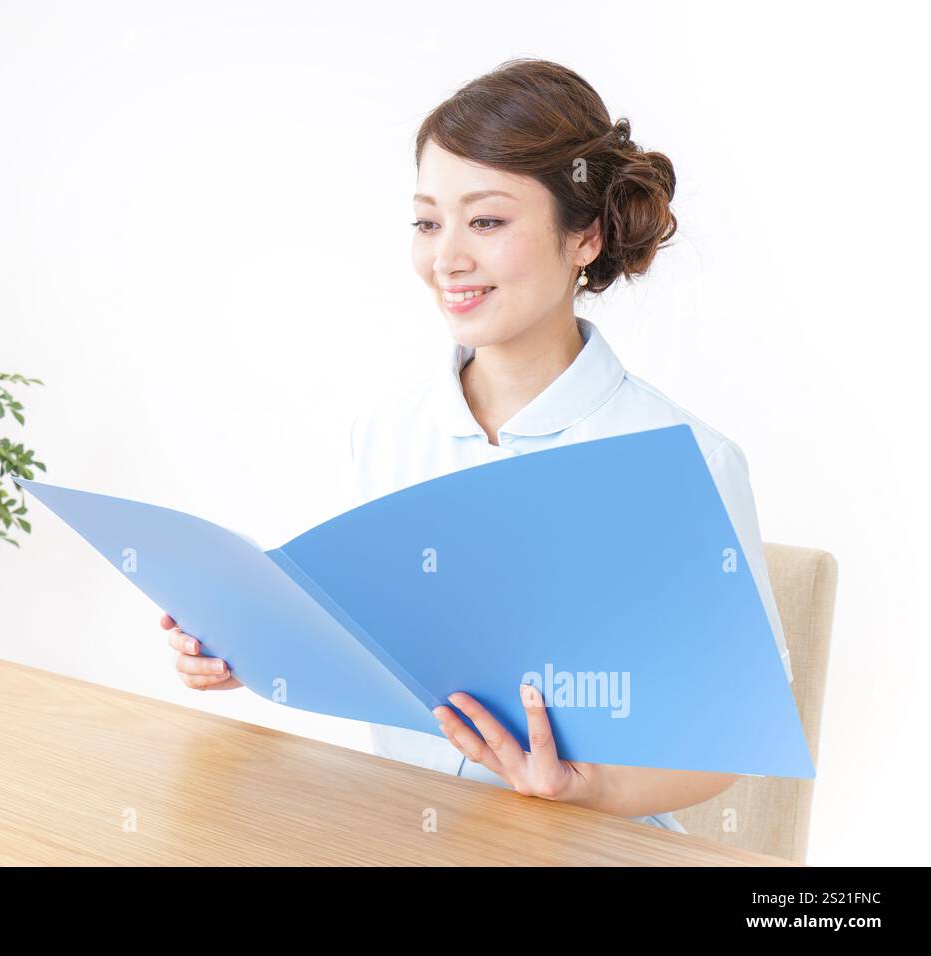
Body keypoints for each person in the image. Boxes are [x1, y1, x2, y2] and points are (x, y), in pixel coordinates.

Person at [160, 57, 793, 834]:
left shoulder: (678, 457)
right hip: (406, 834)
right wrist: (246, 645)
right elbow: (375, 649)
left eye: (486, 221)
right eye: (428, 222)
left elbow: (731, 737)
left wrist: (588, 788)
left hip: (591, 848)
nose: (446, 258)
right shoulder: (388, 433)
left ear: (585, 235)